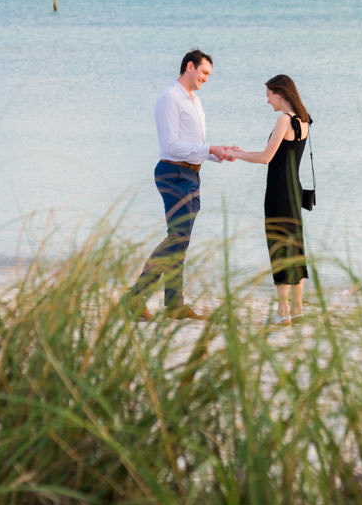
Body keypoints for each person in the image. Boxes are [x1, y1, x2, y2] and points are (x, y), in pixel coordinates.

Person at [125, 49, 233, 320]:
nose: (206, 79)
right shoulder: (169, 98)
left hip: (192, 175)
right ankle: (136, 297)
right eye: (204, 72)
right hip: (172, 173)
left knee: (180, 242)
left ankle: (173, 304)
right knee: (176, 239)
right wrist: (209, 148)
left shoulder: (195, 102)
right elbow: (171, 146)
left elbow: (194, 146)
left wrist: (215, 153)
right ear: (189, 67)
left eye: (208, 74)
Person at [225, 74, 311, 326]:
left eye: (268, 95)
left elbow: (266, 158)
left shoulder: (284, 120)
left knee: (278, 247)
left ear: (280, 93)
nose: (267, 100)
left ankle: (282, 312)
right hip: (294, 191)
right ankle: (297, 308)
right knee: (295, 246)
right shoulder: (304, 120)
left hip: (278, 193)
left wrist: (236, 154)